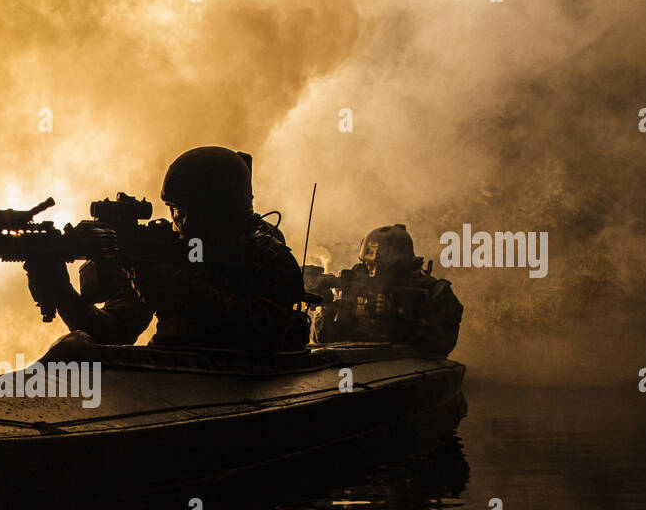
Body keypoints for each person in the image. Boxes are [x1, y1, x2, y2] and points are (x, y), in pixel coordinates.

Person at [23, 146, 312, 353]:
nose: (176, 222)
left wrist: (183, 291)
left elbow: (282, 333)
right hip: (172, 383)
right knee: (74, 349)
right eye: (172, 210)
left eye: (183, 212)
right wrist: (62, 292)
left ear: (220, 211)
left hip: (237, 392)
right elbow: (110, 333)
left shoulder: (267, 256)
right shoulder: (165, 254)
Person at [313, 224, 463, 355]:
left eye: (380, 266)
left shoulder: (433, 292)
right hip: (357, 363)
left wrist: (398, 317)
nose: (372, 272)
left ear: (401, 266)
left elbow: (441, 346)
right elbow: (326, 341)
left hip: (405, 367)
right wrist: (327, 310)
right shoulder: (355, 283)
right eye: (368, 265)